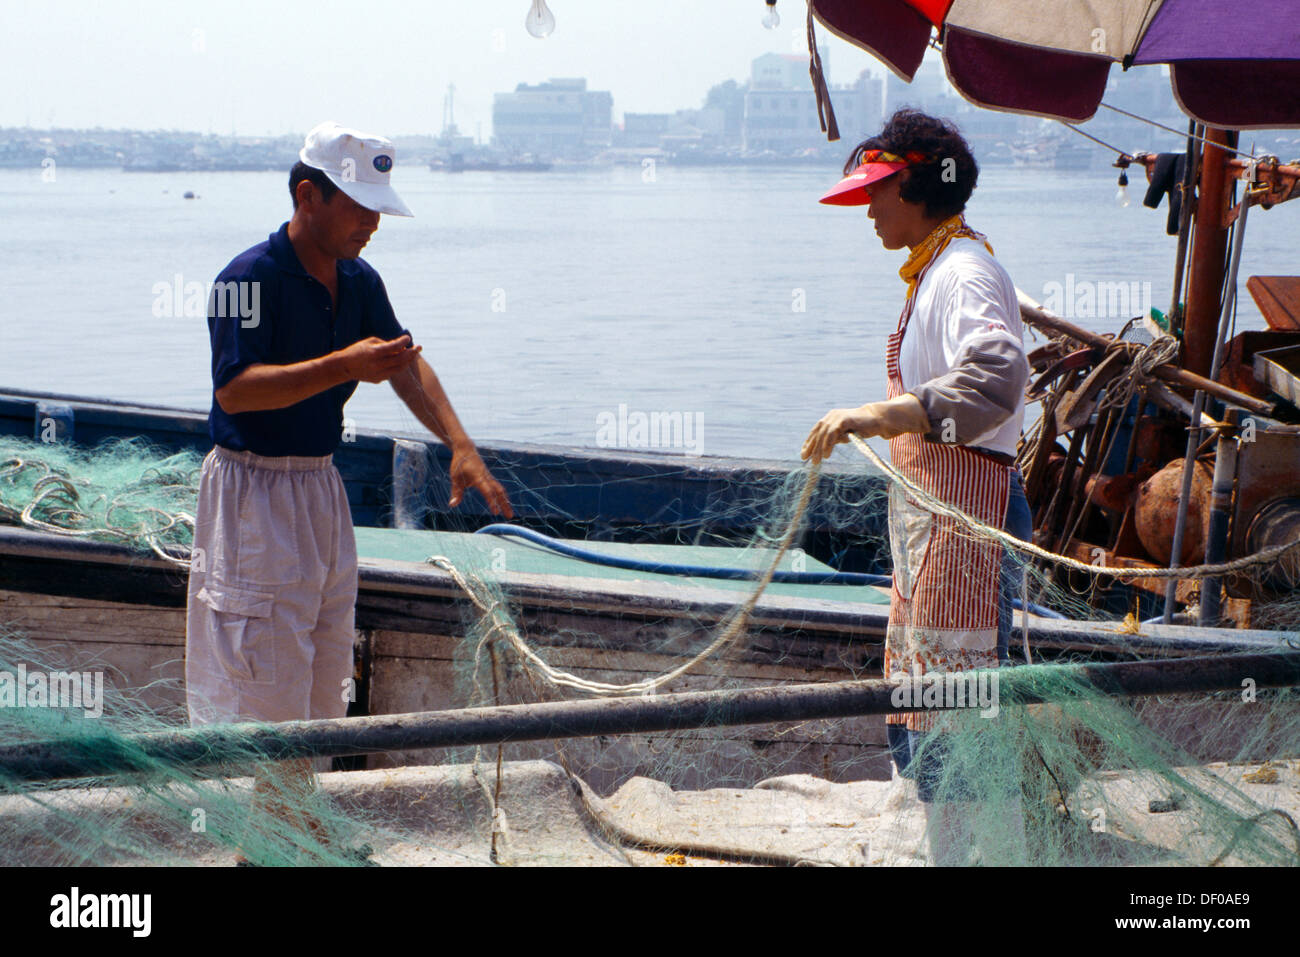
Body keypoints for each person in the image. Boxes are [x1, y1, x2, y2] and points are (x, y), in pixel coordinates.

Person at [185, 120, 513, 863]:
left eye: (377, 210)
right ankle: (266, 848)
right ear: (309, 195)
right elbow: (235, 392)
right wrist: (342, 366)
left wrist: (458, 444)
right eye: (359, 208)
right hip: (254, 493)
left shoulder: (361, 281)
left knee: (326, 673)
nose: (372, 224)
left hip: (319, 490)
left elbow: (402, 364)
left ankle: (293, 835)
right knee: (270, 685)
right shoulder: (244, 281)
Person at [801, 110, 1029, 865]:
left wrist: (880, 413)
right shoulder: (933, 270)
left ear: (922, 183)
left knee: (961, 717)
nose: (868, 208)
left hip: (971, 521)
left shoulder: (963, 270)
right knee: (927, 716)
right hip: (935, 526)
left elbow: (997, 376)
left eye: (880, 190)